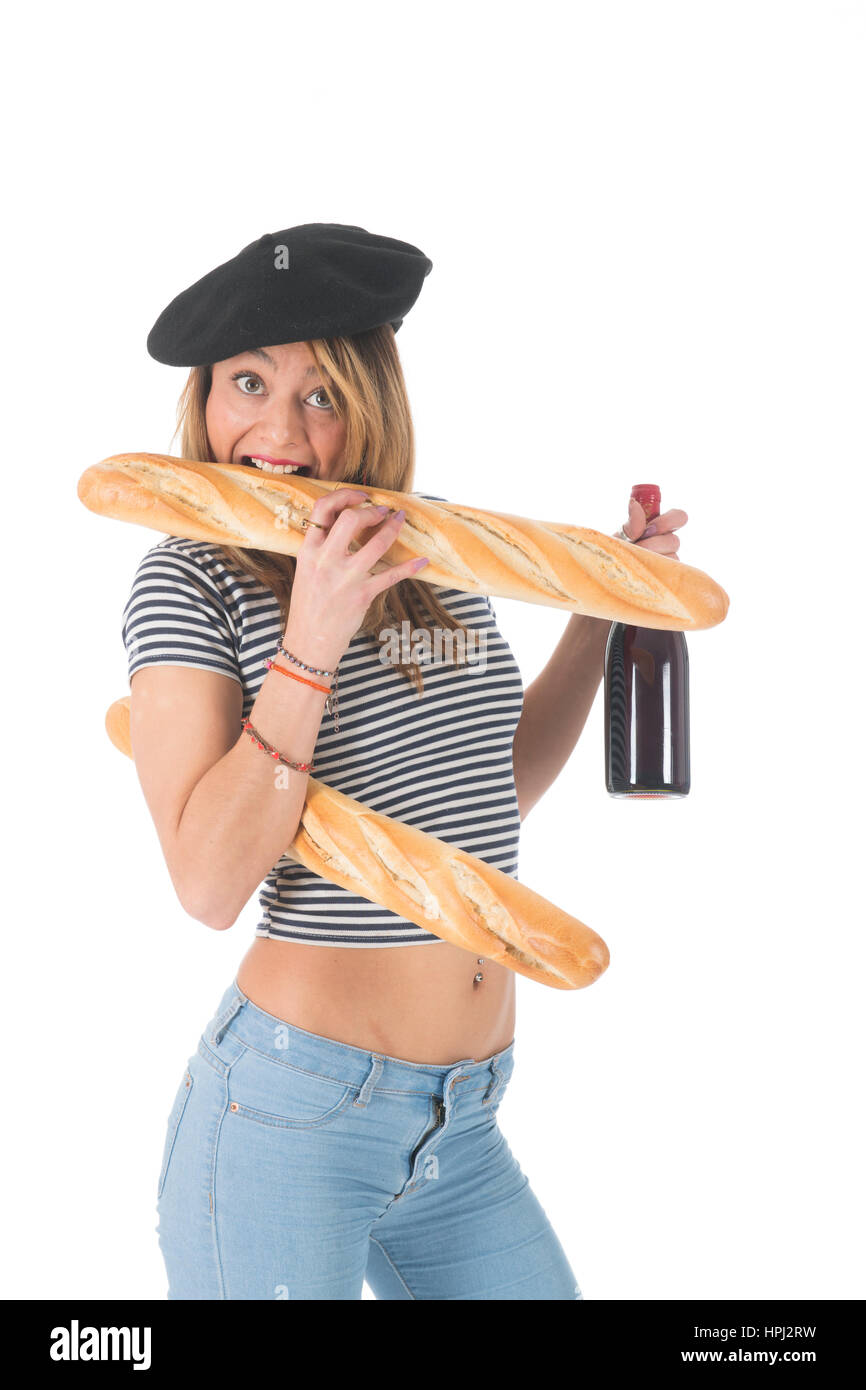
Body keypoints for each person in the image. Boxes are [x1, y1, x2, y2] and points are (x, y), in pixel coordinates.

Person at [121, 222, 686, 1300]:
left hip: (460, 1127)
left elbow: (486, 795)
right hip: (290, 1113)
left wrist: (595, 614)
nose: (279, 430)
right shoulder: (189, 580)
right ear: (201, 398)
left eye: (323, 394)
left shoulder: (431, 565)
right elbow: (206, 881)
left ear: (371, 409)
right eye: (247, 383)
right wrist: (311, 641)